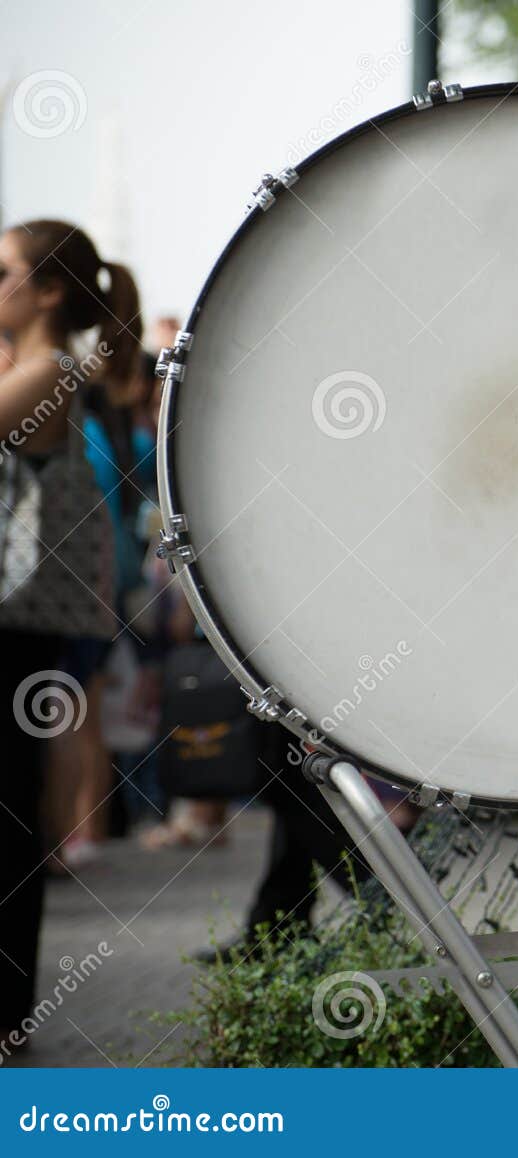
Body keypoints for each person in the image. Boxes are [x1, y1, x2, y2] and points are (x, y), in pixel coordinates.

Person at [0, 219, 140, 1047]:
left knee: (9, 810)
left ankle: (8, 1010)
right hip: (20, 628)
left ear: (47, 290)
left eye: (4, 270)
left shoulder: (46, 371)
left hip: (13, 627)